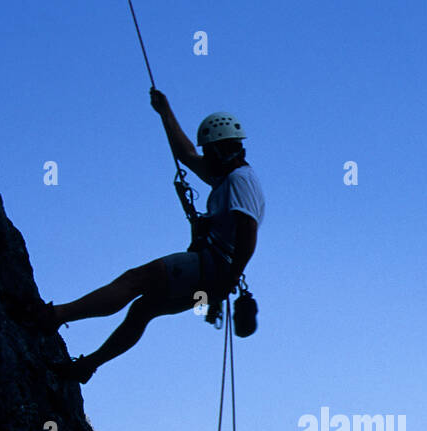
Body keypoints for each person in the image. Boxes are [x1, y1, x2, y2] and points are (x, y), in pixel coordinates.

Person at [39, 89, 264, 383]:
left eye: (209, 152)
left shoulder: (239, 180)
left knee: (136, 279)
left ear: (222, 151)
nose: (205, 158)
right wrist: (165, 112)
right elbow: (186, 155)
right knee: (143, 309)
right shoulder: (226, 176)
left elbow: (247, 236)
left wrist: (227, 280)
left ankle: (56, 316)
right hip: (214, 273)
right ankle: (87, 365)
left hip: (212, 267)